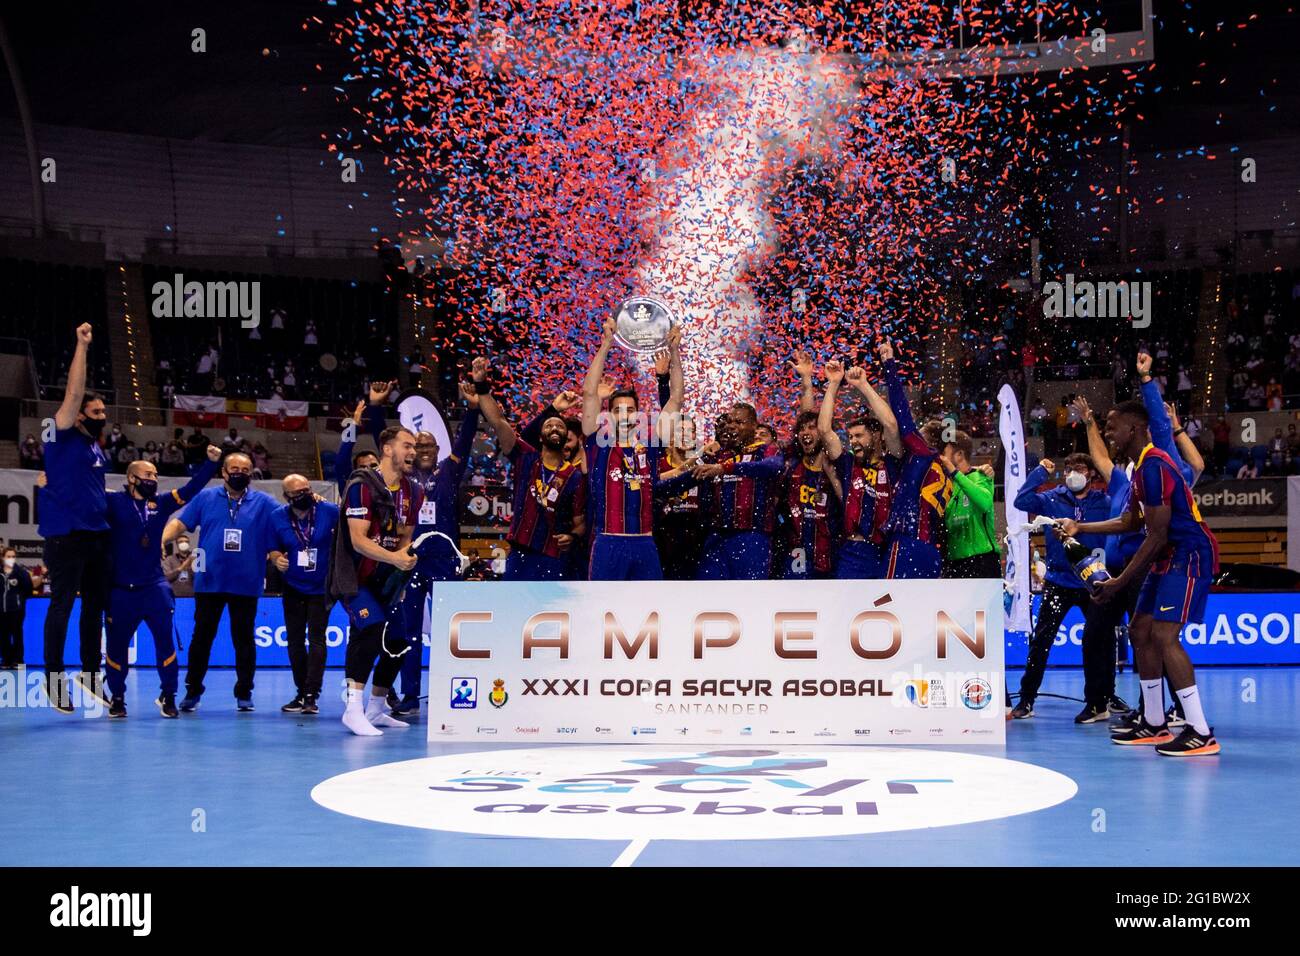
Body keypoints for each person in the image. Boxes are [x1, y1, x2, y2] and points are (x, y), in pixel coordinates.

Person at [1059, 399, 1222, 756]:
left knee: (1164, 635)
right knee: (1139, 630)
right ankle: (1153, 722)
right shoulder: (1138, 470)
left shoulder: (1155, 466)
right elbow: (1130, 522)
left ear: (1133, 429)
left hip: (1188, 553)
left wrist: (1118, 582)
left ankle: (1199, 730)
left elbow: (1157, 534)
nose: (1108, 432)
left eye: (1113, 426)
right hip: (1168, 555)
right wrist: (1080, 526)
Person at [369, 367, 483, 714]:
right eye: (417, 446)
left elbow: (464, 440)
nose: (423, 450)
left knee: (452, 635)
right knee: (408, 630)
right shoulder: (403, 476)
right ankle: (409, 695)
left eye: (429, 445)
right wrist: (376, 409)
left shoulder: (449, 471)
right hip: (409, 562)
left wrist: (474, 409)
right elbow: (385, 444)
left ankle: (456, 694)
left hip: (445, 563)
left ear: (438, 448)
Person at [103, 445, 221, 718]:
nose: (153, 480)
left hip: (154, 588)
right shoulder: (114, 503)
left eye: (155, 475)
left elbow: (191, 490)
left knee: (165, 644)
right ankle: (117, 698)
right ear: (132, 478)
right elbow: (83, 496)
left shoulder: (162, 503)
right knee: (116, 648)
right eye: (148, 475)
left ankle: (169, 695)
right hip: (121, 590)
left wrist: (211, 464)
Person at [162, 451, 281, 712]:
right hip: (209, 582)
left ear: (252, 473)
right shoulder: (206, 497)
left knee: (244, 640)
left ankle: (244, 692)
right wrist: (163, 539)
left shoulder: (264, 502)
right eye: (234, 468)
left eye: (245, 469)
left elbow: (289, 517)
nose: (240, 473)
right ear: (224, 472)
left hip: (246, 583)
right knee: (201, 638)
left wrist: (315, 501)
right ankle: (193, 690)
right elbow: (180, 523)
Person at [328, 424, 421, 736]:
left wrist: (402, 570)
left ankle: (377, 708)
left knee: (399, 641)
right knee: (369, 630)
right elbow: (357, 540)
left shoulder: (414, 490)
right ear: (387, 449)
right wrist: (394, 557)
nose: (412, 452)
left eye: (414, 447)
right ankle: (353, 709)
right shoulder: (362, 485)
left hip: (389, 580)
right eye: (406, 446)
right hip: (355, 578)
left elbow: (406, 537)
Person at [41, 322, 113, 713]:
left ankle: (89, 675)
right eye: (96, 410)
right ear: (79, 414)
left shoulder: (94, 448)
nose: (103, 415)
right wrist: (82, 346)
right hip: (65, 536)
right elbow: (72, 392)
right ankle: (54, 683)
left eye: (104, 410)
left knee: (95, 608)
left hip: (96, 536)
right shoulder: (58, 433)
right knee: (62, 605)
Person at [1010, 452, 1112, 721]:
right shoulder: (1052, 498)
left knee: (1102, 641)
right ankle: (1027, 699)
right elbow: (1021, 500)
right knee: (1041, 641)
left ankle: (1103, 700)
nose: (1072, 474)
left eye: (1078, 468)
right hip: (1057, 581)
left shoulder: (1105, 501)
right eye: (1068, 468)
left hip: (1094, 582)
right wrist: (1040, 473)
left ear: (1090, 472)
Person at [580, 318, 683, 580]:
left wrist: (675, 352)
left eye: (630, 410)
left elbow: (676, 399)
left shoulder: (649, 447)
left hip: (645, 545)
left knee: (651, 616)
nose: (624, 415)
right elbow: (590, 394)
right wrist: (605, 344)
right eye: (617, 410)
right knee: (603, 614)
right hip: (608, 544)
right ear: (609, 415)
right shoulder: (597, 444)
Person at [479, 375, 587, 581]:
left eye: (560, 427)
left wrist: (573, 536)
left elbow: (580, 522)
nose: (554, 428)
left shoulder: (575, 477)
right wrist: (481, 385)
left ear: (566, 438)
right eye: (549, 426)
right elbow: (498, 421)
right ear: (540, 437)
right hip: (520, 553)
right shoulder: (526, 459)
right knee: (514, 609)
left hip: (553, 557)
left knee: (552, 612)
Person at [818, 355, 901, 578]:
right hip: (854, 553)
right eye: (850, 437)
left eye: (858, 436)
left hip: (887, 551)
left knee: (883, 610)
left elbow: (891, 425)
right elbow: (825, 431)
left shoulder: (892, 465)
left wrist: (864, 385)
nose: (853, 441)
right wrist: (834, 384)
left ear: (875, 435)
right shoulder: (848, 464)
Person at [682, 402, 785, 580]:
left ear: (753, 426)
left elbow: (773, 467)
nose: (732, 426)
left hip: (753, 537)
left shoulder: (766, 451)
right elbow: (684, 480)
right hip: (717, 538)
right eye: (730, 421)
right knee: (706, 595)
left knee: (749, 600)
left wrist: (726, 468)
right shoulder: (717, 456)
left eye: (739, 422)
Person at [268, 475, 340, 716]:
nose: (305, 495)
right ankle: (300, 691)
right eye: (298, 493)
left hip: (322, 586)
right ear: (287, 497)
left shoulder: (329, 510)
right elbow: (273, 546)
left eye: (307, 490)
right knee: (295, 641)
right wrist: (276, 558)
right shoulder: (277, 516)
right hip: (293, 586)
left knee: (318, 639)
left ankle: (311, 694)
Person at [880, 341, 949, 578]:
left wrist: (889, 365)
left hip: (908, 543)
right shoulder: (949, 472)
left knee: (886, 603)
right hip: (932, 552)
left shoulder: (922, 453)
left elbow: (901, 415)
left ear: (927, 440)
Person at [778, 411, 840, 579]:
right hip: (797, 552)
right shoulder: (790, 469)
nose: (806, 432)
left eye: (812, 428)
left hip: (832, 553)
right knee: (795, 602)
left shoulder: (838, 470)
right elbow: (778, 506)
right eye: (802, 429)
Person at [938, 431, 1000, 579]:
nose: (942, 458)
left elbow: (984, 503)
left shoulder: (981, 475)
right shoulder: (948, 485)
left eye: (944, 453)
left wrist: (955, 473)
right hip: (954, 564)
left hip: (982, 561)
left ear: (959, 455)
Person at [1, 548, 33, 669]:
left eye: (13, 556)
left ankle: (18, 660)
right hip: (1, 610)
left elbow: (28, 589)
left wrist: (19, 600)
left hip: (17, 610)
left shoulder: (21, 572)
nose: (11, 559)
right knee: (3, 635)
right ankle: (6, 660)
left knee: (17, 634)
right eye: (8, 556)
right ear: (3, 557)